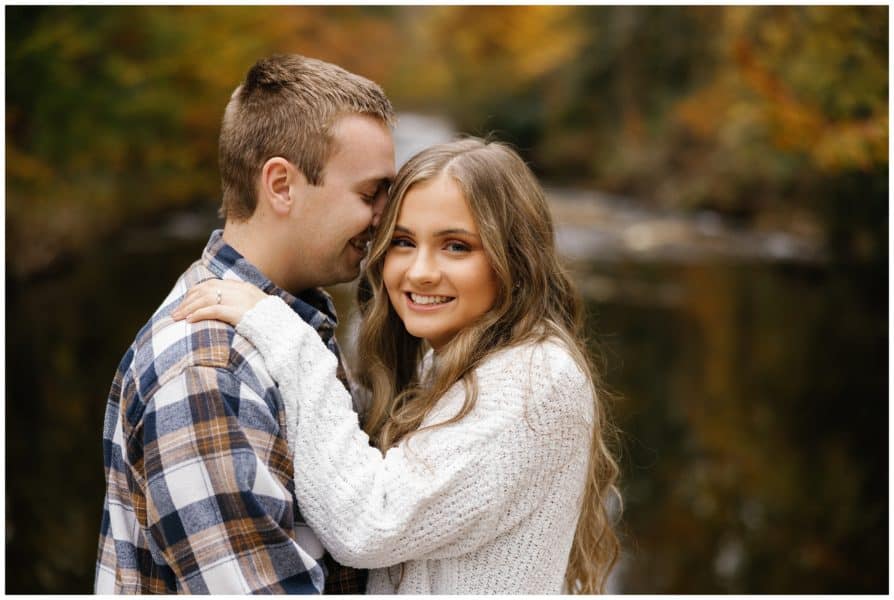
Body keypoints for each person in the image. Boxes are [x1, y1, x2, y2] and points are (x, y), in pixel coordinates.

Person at [173, 138, 621, 594]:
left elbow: (370, 523)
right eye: (403, 242)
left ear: (516, 261)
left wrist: (285, 334)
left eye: (456, 246)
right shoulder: (447, 367)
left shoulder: (535, 379)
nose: (420, 271)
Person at [95, 54, 396, 594]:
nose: (385, 218)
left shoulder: (285, 325)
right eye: (370, 194)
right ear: (281, 185)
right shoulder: (207, 372)